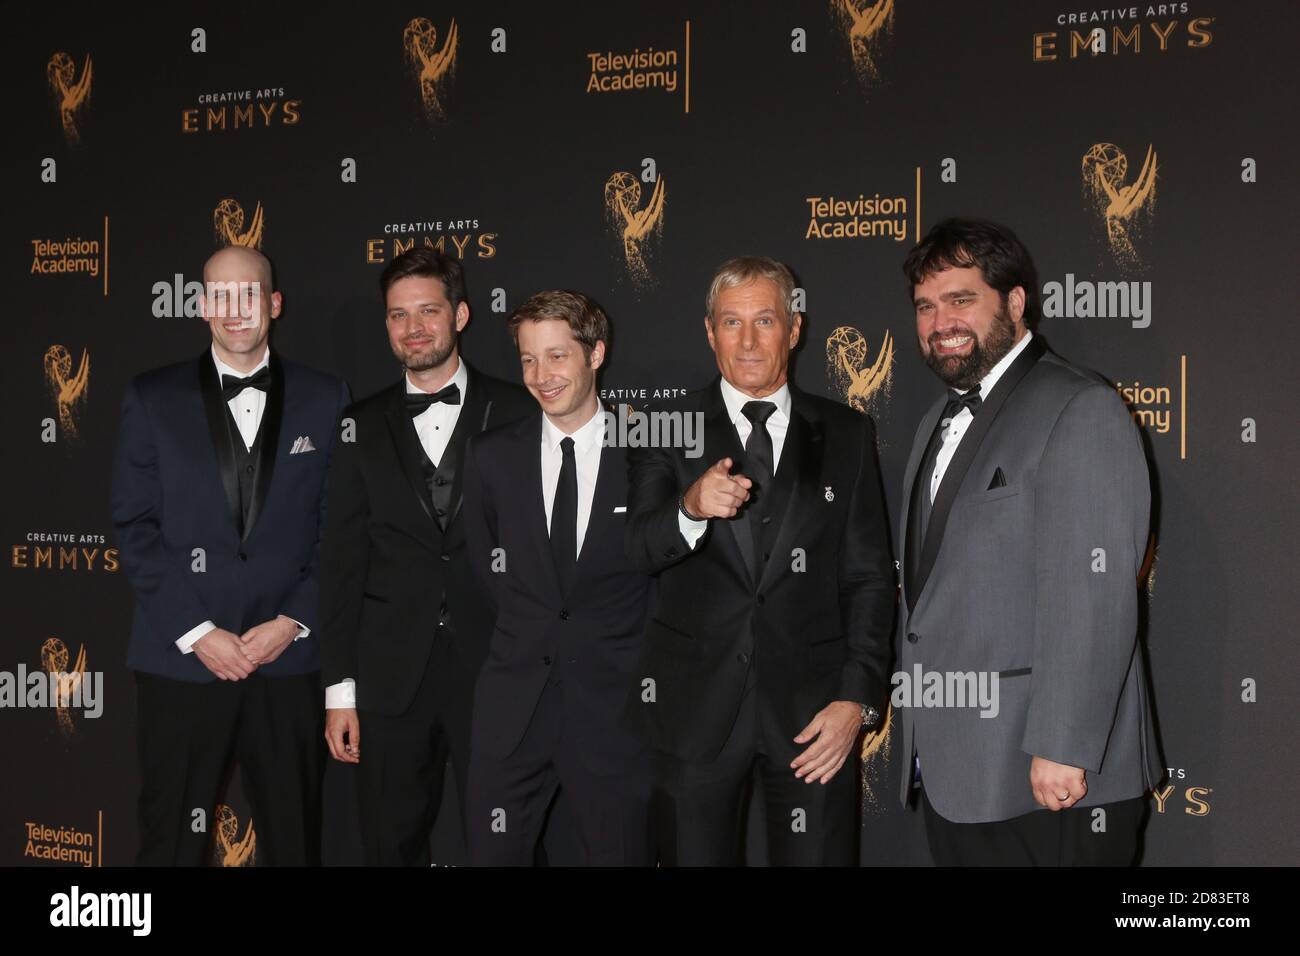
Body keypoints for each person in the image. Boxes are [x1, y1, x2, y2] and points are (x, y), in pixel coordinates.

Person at [896, 217, 1161, 865]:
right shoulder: (937, 417)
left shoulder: (1079, 407)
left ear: (1015, 303)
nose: (940, 322)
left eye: (961, 300)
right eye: (926, 307)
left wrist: (1065, 744)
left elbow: (1093, 594)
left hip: (1050, 775)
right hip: (960, 771)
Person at [625, 256, 895, 865]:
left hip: (813, 720)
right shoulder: (666, 428)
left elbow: (870, 579)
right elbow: (639, 549)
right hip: (693, 716)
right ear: (709, 331)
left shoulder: (848, 433)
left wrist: (855, 698)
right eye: (731, 322)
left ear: (794, 329)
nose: (747, 341)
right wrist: (689, 509)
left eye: (765, 321)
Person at [111, 246, 349, 865]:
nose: (234, 309)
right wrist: (198, 632)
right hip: (183, 664)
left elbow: (341, 529)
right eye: (219, 294)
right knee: (170, 842)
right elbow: (135, 525)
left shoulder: (326, 398)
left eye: (248, 294)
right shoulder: (151, 397)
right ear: (200, 305)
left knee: (293, 839)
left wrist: (291, 622)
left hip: (287, 661)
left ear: (274, 303)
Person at [318, 248, 531, 865]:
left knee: (504, 844)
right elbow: (339, 564)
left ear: (461, 314)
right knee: (389, 846)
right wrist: (339, 692)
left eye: (428, 311)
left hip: (496, 673)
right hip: (388, 681)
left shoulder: (517, 411)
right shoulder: (356, 425)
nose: (413, 328)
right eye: (397, 315)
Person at [461, 291, 653, 865]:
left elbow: (662, 582)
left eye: (556, 356)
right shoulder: (490, 457)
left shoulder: (649, 449)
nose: (541, 376)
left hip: (614, 713)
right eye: (527, 359)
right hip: (511, 714)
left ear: (596, 353)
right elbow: (489, 569)